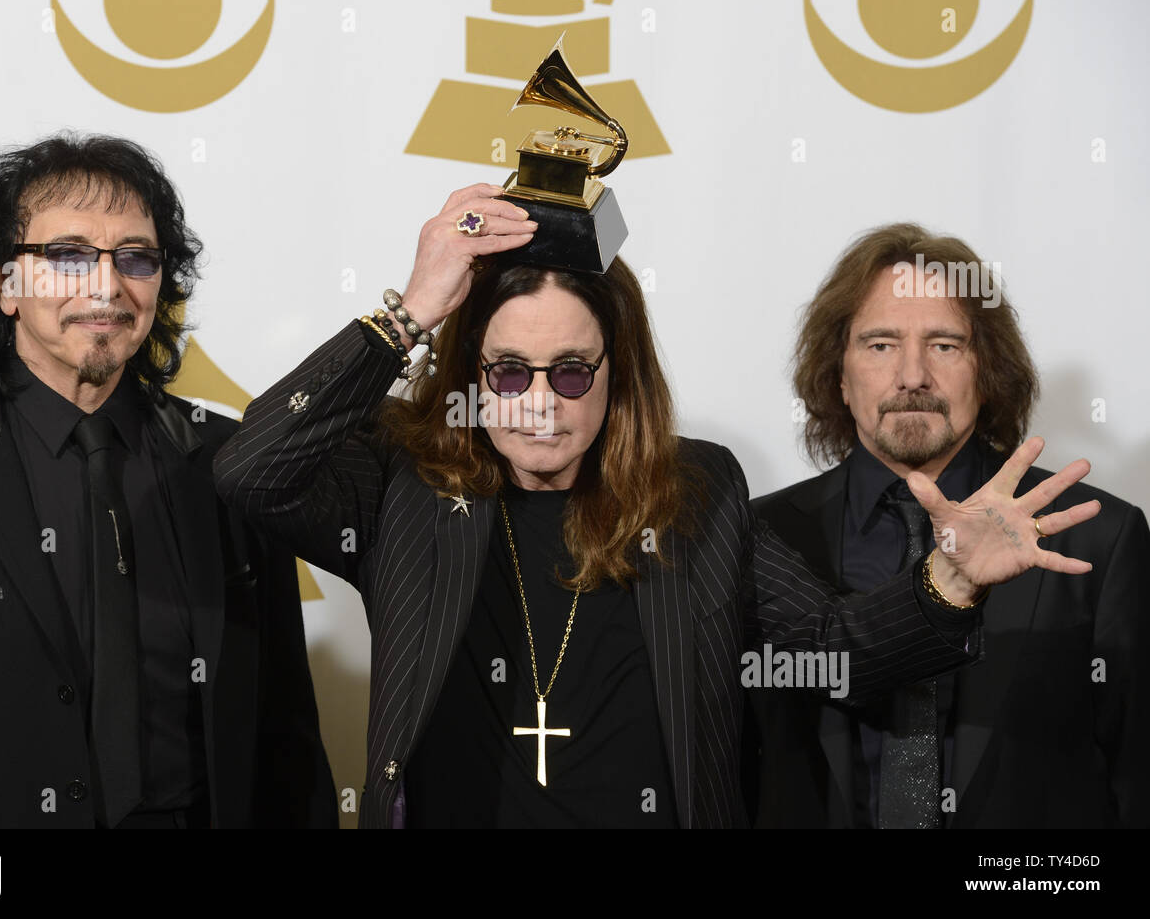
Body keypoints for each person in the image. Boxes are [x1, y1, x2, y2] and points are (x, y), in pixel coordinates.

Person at [214, 185, 1101, 828]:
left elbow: (830, 655)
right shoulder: (405, 484)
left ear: (616, 372)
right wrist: (410, 311)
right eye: (509, 372)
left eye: (571, 372)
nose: (541, 403)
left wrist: (947, 580)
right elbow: (253, 470)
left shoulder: (695, 495)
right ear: (473, 375)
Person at [0, 133, 335, 828]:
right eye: (67, 256)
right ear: (5, 283)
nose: (105, 286)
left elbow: (286, 739)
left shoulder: (235, 467)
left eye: (134, 258)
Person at [744, 223, 1148, 828]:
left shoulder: (1099, 539)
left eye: (945, 345)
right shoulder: (759, 535)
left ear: (989, 372)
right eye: (880, 345)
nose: (912, 376)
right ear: (838, 377)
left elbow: (1138, 780)